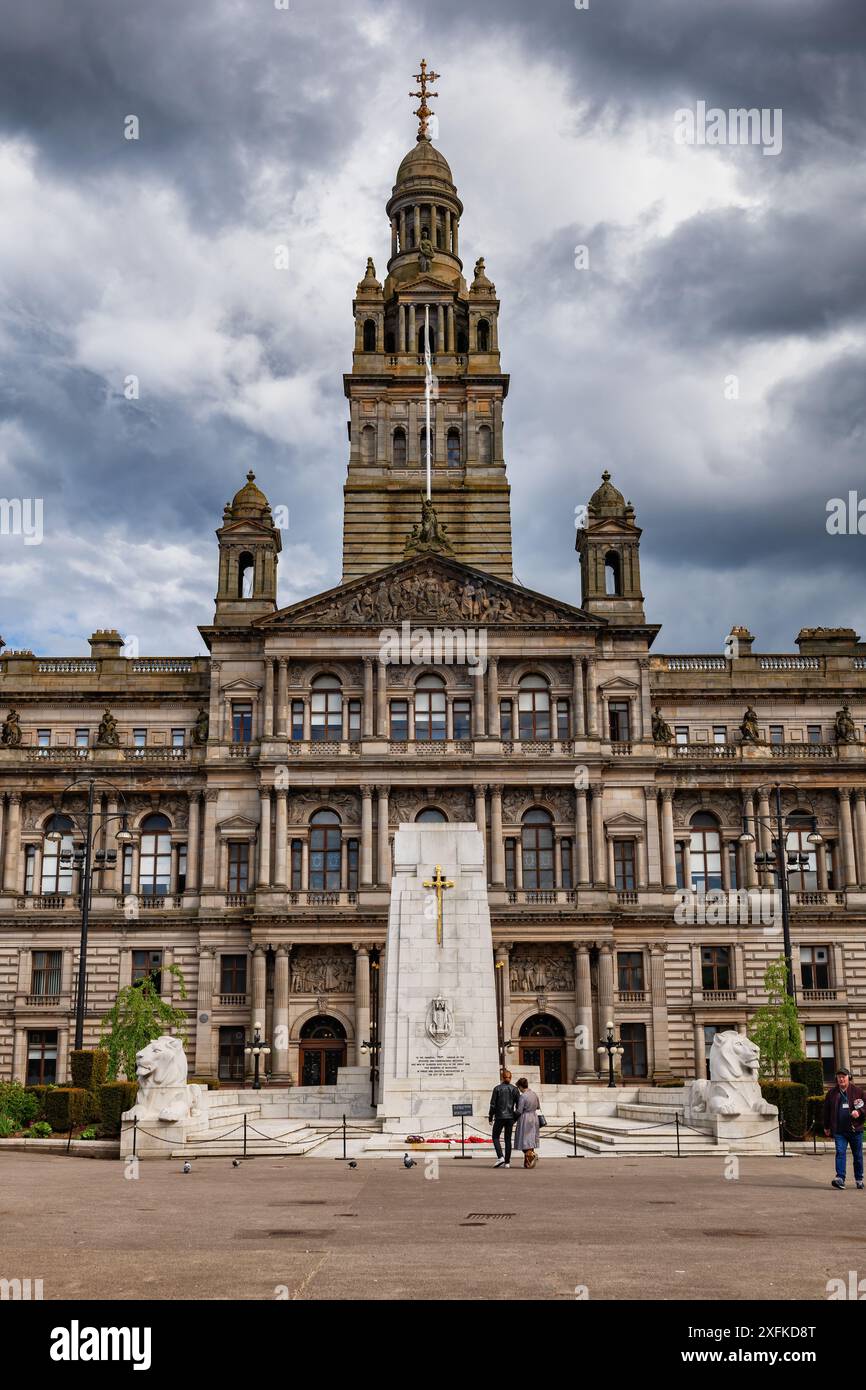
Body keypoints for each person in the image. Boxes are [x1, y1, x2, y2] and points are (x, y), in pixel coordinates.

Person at [823, 1068, 865, 1190]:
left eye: (844, 1077)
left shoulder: (858, 1092)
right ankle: (840, 1178)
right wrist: (826, 1126)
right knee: (840, 1153)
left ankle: (859, 1179)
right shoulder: (832, 1093)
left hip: (855, 1129)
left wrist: (859, 1112)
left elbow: (865, 1106)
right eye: (839, 1077)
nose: (841, 1079)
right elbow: (826, 1111)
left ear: (849, 1077)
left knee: (857, 1156)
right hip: (839, 1130)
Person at [488, 1069, 520, 1168]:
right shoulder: (515, 1089)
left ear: (502, 1077)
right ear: (510, 1078)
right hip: (510, 1117)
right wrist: (514, 1117)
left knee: (495, 1137)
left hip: (499, 1117)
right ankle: (507, 1162)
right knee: (508, 1139)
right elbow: (519, 1106)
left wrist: (490, 1117)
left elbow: (493, 1105)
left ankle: (500, 1157)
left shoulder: (497, 1088)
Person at [514, 1077, 541, 1168]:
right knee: (531, 1140)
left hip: (525, 1118)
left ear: (521, 1086)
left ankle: (531, 1155)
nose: (519, 1090)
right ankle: (527, 1163)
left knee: (523, 1140)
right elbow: (538, 1107)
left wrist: (513, 1116)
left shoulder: (523, 1096)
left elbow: (519, 1110)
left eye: (519, 1088)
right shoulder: (534, 1094)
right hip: (534, 1117)